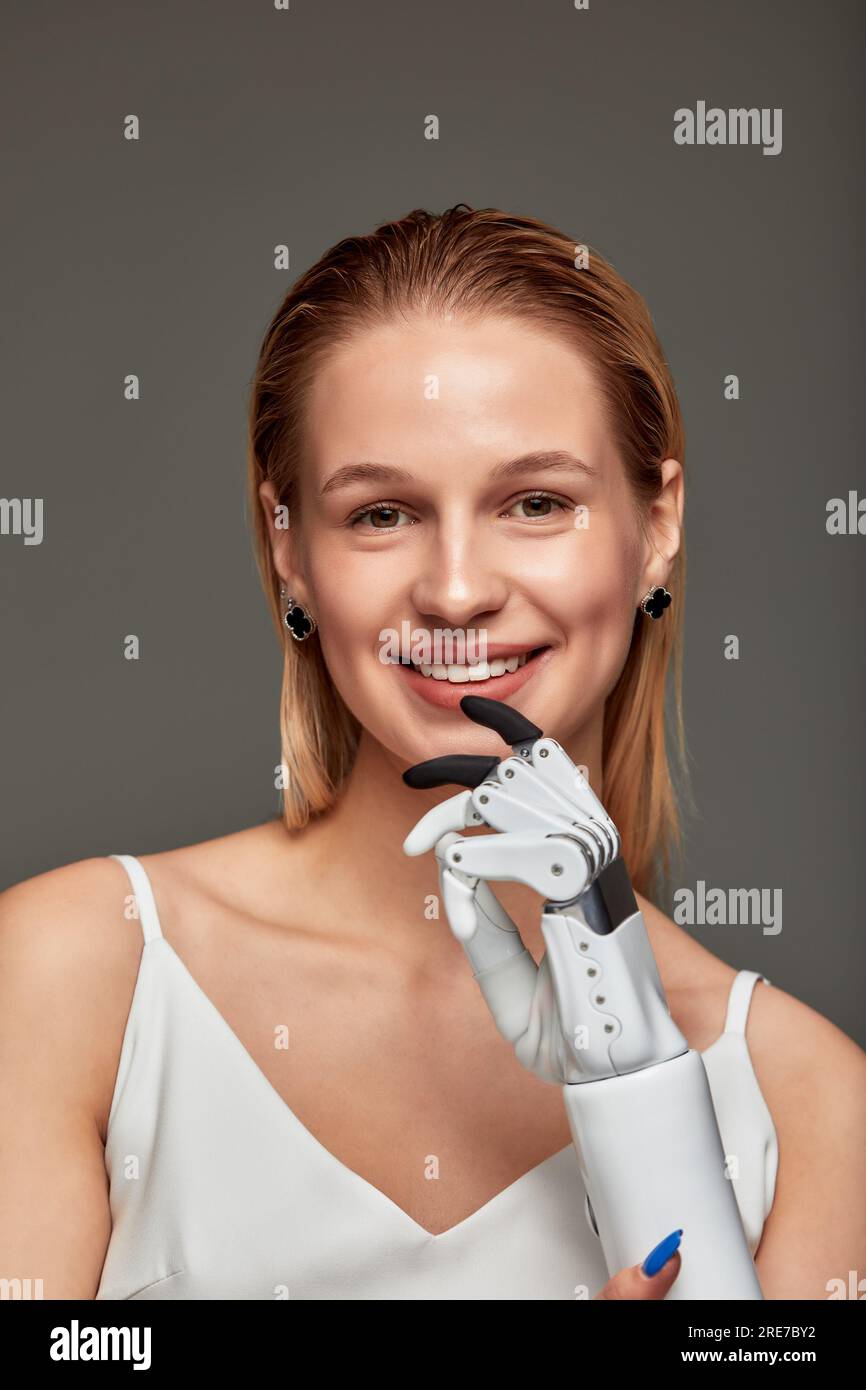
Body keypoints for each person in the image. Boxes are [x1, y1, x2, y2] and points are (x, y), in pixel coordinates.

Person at [1, 206, 864, 1301]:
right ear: (290, 550)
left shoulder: (809, 1099)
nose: (455, 589)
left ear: (655, 524)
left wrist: (645, 1102)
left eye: (535, 502)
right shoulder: (78, 972)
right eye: (380, 514)